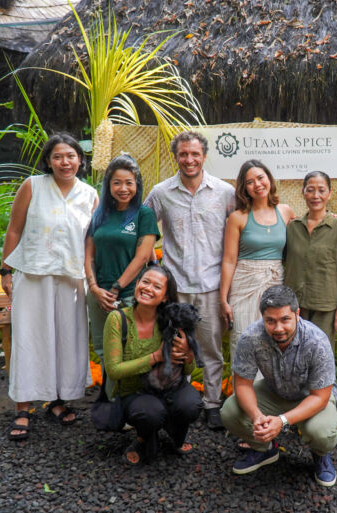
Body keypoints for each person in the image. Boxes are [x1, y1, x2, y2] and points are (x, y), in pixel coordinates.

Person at [1, 133, 98, 440]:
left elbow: (90, 243)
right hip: (32, 275)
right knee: (30, 338)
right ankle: (23, 407)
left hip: (72, 278)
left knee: (66, 339)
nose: (65, 162)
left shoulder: (90, 194)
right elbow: (14, 229)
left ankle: (57, 400)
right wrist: (5, 270)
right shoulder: (32, 186)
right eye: (58, 157)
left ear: (80, 160)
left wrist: (92, 279)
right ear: (48, 161)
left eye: (70, 156)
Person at [144, 131, 235, 431]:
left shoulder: (224, 192)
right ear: (176, 157)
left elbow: (236, 233)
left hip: (210, 285)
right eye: (183, 154)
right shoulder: (161, 193)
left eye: (195, 154)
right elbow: (145, 230)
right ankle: (175, 398)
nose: (189, 159)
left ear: (204, 156)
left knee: (209, 348)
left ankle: (211, 404)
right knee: (171, 344)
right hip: (175, 287)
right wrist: (154, 268)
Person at [220, 285, 337, 487]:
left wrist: (282, 421)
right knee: (230, 412)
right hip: (274, 392)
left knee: (322, 432)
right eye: (270, 321)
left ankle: (320, 454)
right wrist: (257, 416)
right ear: (262, 318)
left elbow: (320, 396)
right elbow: (242, 385)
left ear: (297, 314)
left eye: (285, 319)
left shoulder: (316, 340)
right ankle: (265, 448)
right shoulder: (251, 338)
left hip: (311, 396)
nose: (278, 328)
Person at [103, 265, 201, 464]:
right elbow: (113, 371)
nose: (148, 288)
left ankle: (176, 434)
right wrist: (156, 357)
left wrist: (188, 355)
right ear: (136, 284)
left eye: (157, 286)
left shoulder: (171, 320)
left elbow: (188, 369)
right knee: (150, 413)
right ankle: (145, 436)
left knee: (191, 404)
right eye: (145, 282)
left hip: (170, 386)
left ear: (165, 296)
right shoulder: (118, 319)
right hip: (135, 392)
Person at [85, 154, 159, 360]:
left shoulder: (144, 214)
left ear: (137, 185)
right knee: (102, 349)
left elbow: (142, 257)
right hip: (98, 293)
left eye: (129, 183)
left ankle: (125, 393)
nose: (123, 188)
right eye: (117, 183)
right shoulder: (100, 215)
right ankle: (107, 393)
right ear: (109, 185)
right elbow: (89, 255)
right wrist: (94, 289)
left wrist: (116, 288)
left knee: (128, 349)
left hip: (129, 294)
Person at [220, 160, 294, 357]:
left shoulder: (285, 212)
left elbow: (307, 234)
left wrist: (331, 218)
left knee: (273, 342)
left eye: (260, 178)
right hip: (244, 285)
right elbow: (228, 260)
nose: (257, 185)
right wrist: (223, 299)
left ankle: (268, 388)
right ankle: (243, 388)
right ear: (244, 189)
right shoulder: (238, 217)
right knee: (244, 341)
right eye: (250, 182)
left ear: (269, 179)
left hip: (275, 283)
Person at [284, 171, 337, 349]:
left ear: (330, 194)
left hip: (325, 307)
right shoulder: (293, 227)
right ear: (303, 193)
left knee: (320, 356)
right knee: (294, 355)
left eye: (321, 190)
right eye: (310, 190)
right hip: (295, 307)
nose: (316, 196)